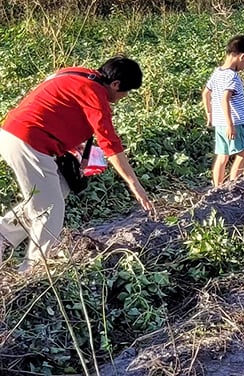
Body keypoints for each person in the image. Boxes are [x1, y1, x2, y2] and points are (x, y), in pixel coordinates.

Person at [0, 56, 152, 273]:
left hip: (14, 133)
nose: (124, 96)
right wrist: (134, 184)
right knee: (50, 210)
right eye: (125, 92)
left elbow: (58, 104)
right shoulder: (95, 94)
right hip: (29, 142)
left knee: (54, 193)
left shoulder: (77, 73)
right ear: (116, 84)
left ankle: (3, 234)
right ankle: (32, 271)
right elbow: (110, 143)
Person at [203, 35, 244, 187]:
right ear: (242, 57)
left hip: (219, 123)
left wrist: (209, 114)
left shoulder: (217, 72)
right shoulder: (232, 77)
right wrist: (230, 125)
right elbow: (225, 99)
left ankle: (217, 187)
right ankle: (234, 185)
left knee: (222, 156)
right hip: (235, 122)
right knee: (242, 153)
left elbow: (206, 93)